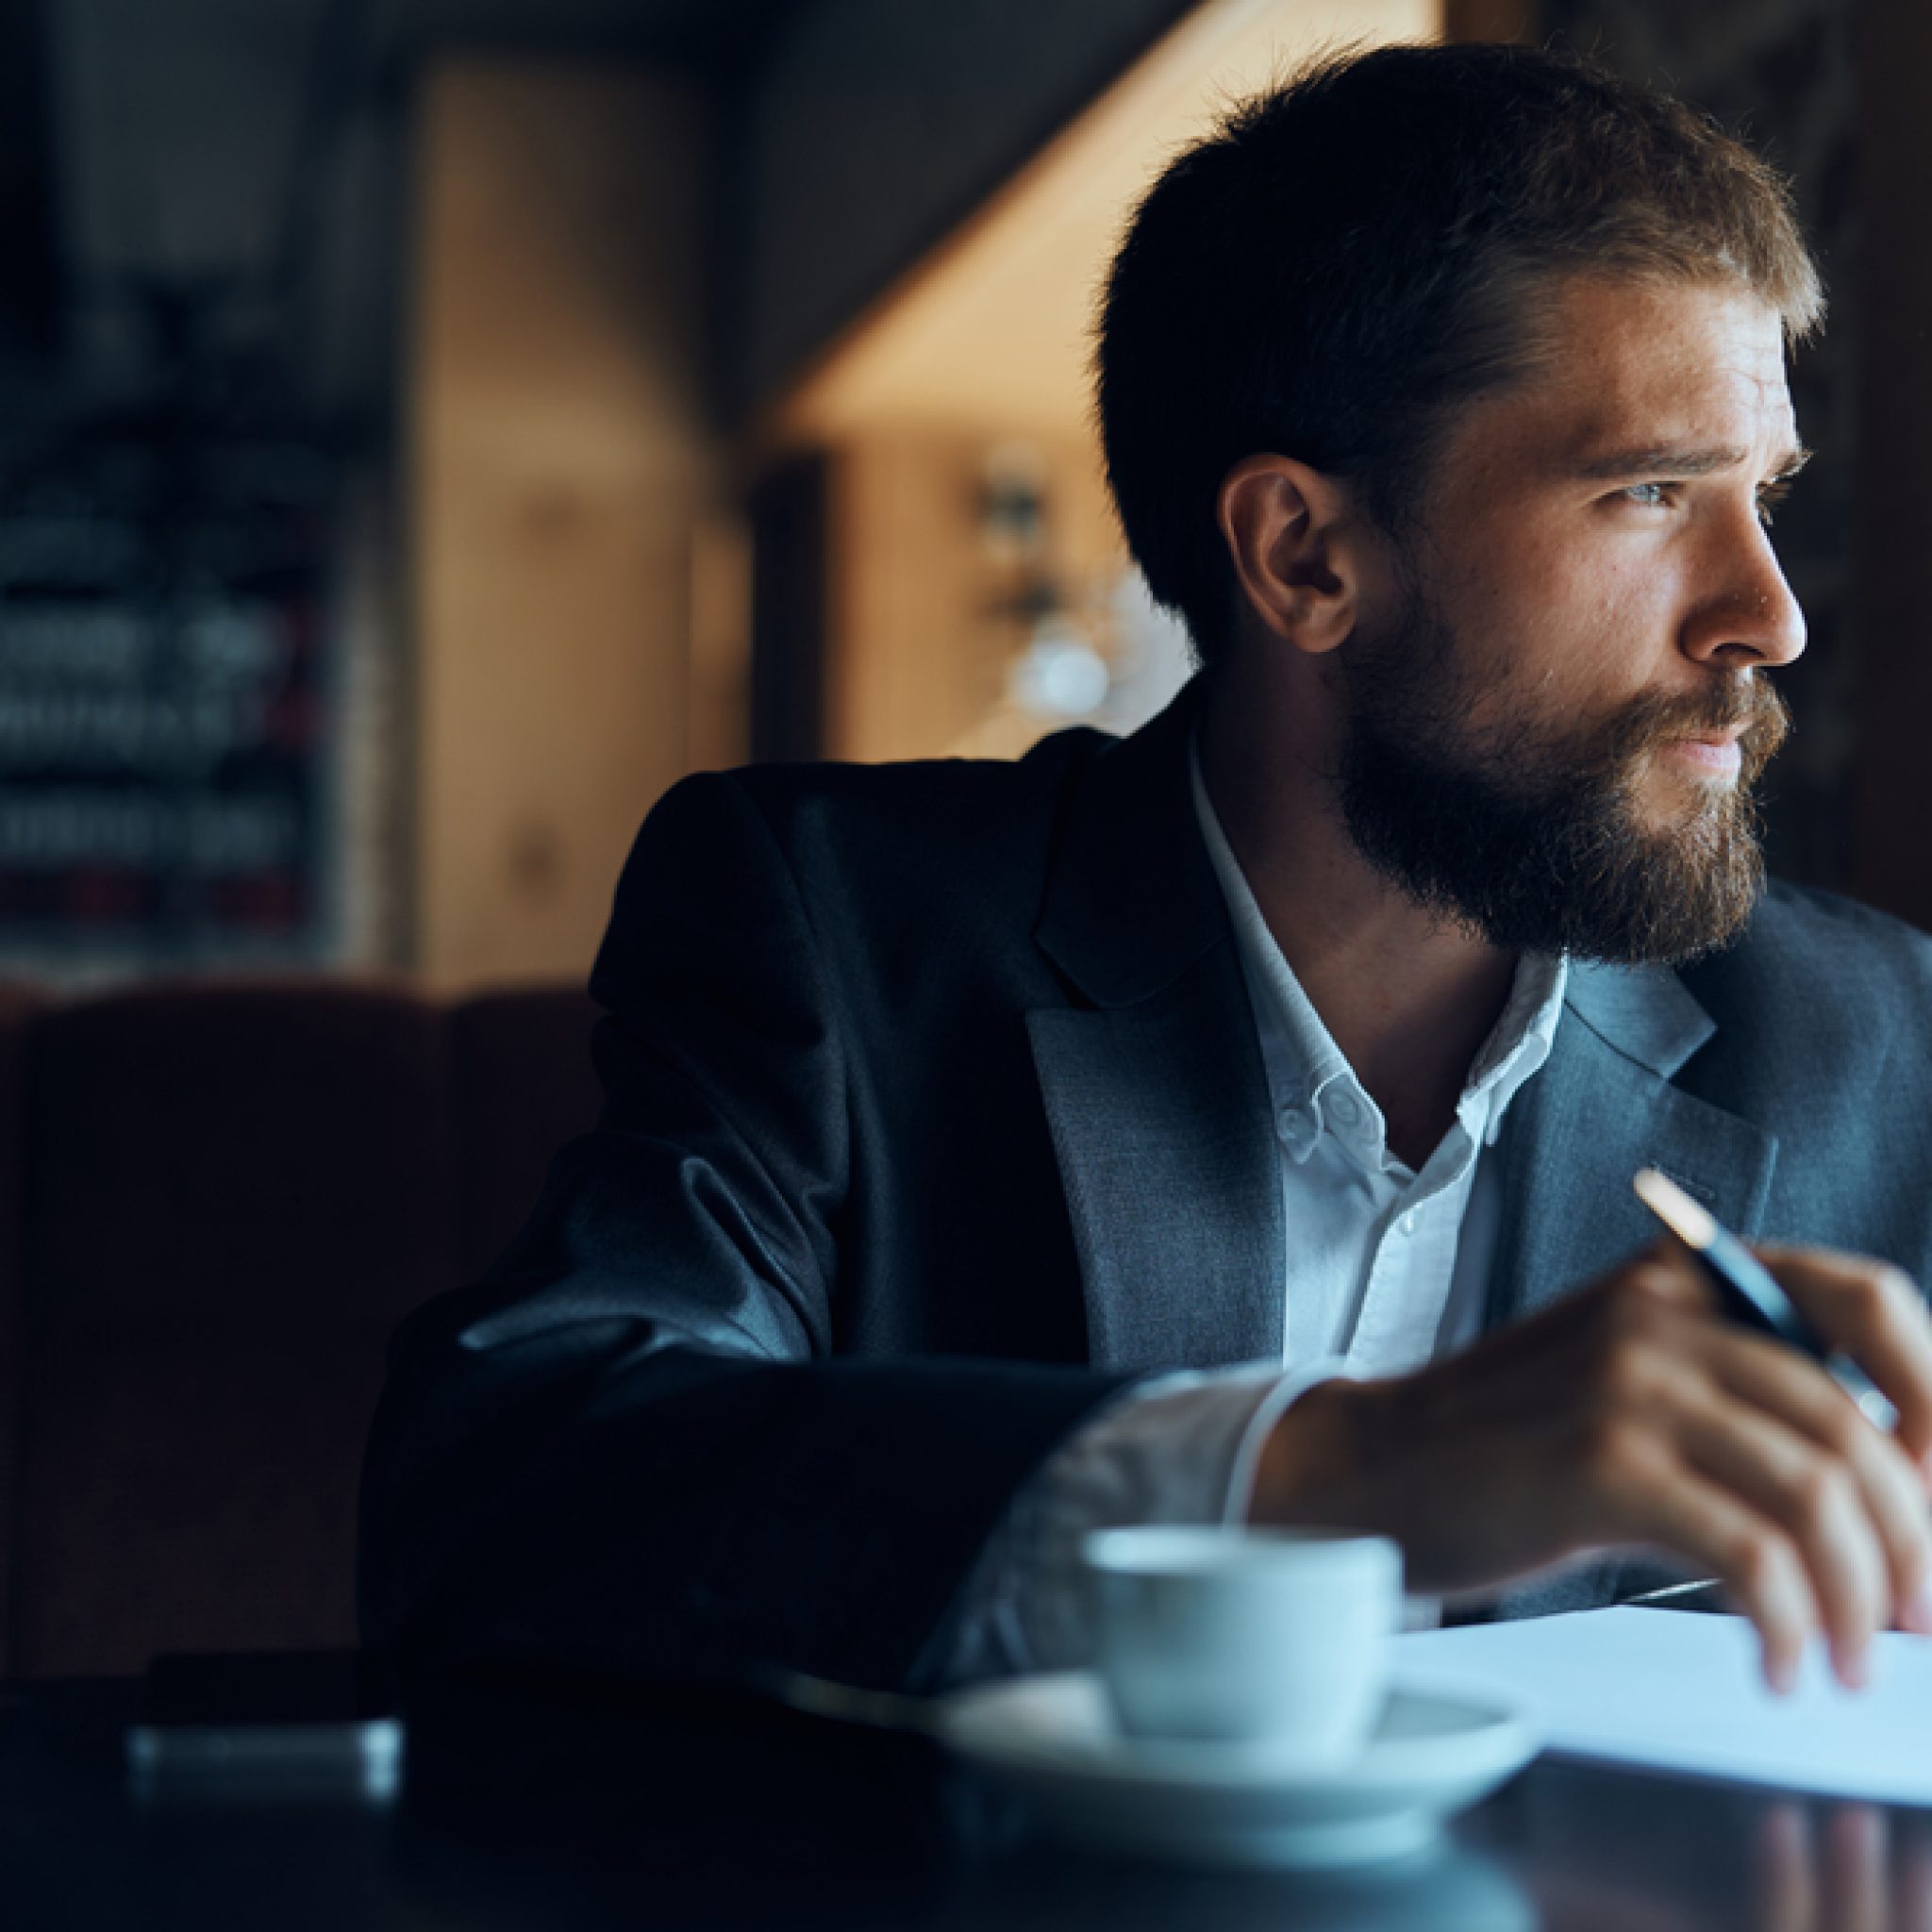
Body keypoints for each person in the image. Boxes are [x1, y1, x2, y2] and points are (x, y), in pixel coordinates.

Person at [359, 41, 1932, 1702]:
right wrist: (1341, 1475)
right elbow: (502, 1497)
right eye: (1650, 492)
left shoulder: (1879, 1047)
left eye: (1762, 496)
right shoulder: (839, 933)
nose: (1770, 614)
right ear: (1304, 556)